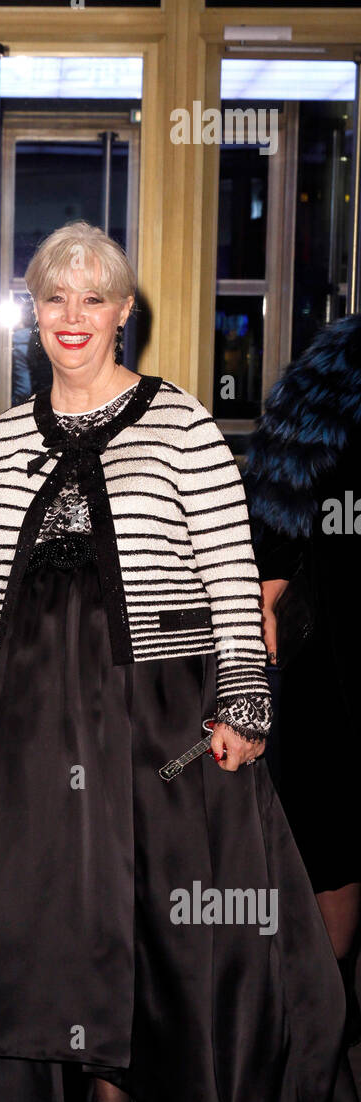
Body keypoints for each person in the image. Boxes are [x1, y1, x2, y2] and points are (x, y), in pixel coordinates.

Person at [0, 221, 361, 1102]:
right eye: (54, 298)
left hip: (163, 706)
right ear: (34, 311)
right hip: (39, 717)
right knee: (73, 909)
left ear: (122, 312)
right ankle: (106, 1089)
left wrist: (244, 702)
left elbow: (234, 577)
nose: (73, 316)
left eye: (92, 297)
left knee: (189, 919)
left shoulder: (179, 422)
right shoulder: (11, 432)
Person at [244, 315, 361, 1043]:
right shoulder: (329, 375)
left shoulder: (320, 376)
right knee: (333, 830)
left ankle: (325, 1008)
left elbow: (277, 521)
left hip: (330, 653)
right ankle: (326, 1009)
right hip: (334, 653)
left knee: (333, 831)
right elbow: (280, 528)